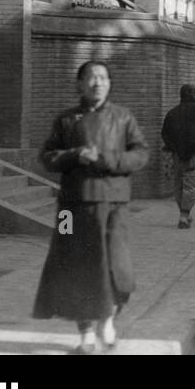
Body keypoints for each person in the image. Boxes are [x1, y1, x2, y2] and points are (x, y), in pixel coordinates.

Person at [34, 61, 149, 354]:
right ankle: (85, 334)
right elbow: (47, 157)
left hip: (113, 204)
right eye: (91, 78)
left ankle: (107, 321)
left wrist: (106, 160)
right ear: (79, 84)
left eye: (103, 78)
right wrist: (74, 155)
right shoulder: (66, 120)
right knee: (72, 265)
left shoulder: (123, 118)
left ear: (109, 84)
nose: (97, 83)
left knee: (115, 265)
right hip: (69, 209)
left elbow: (140, 154)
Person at [161, 83, 195, 228]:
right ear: (193, 95)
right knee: (192, 185)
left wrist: (174, 148)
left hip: (177, 155)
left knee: (179, 185)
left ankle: (185, 213)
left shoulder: (172, 113)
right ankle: (184, 215)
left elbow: (165, 134)